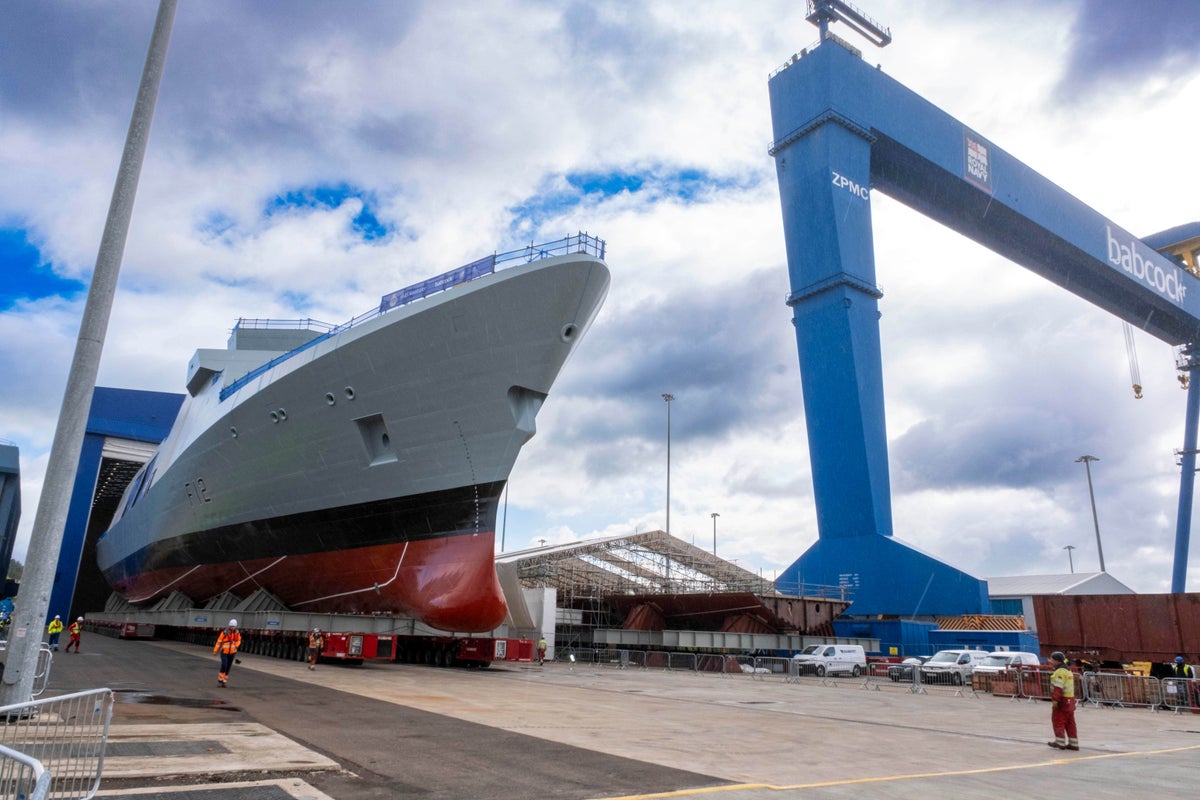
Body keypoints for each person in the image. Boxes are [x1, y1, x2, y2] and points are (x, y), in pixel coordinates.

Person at [1047, 651, 1078, 751]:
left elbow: (1058, 687)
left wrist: (1055, 700)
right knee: (1070, 723)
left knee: (1058, 721)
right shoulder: (1068, 671)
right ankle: (1074, 744)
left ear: (1056, 661)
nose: (1050, 661)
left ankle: (1060, 742)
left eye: (1052, 659)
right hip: (1070, 700)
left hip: (1063, 701)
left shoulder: (1060, 672)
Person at [213, 619, 242, 687]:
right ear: (229, 626)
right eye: (231, 626)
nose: (232, 628)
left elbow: (239, 640)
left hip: (232, 653)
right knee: (224, 665)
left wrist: (236, 646)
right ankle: (220, 680)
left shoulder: (237, 633)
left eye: (234, 626)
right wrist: (215, 651)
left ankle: (224, 681)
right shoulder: (224, 633)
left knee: (228, 667)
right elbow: (219, 642)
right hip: (224, 652)